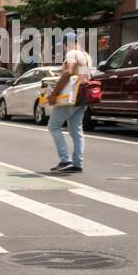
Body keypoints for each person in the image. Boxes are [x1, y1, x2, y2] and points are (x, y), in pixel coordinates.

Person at [45, 36, 93, 174]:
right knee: (76, 131)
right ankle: (78, 163)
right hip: (82, 97)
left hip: (70, 97)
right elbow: (84, 75)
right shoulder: (86, 56)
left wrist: (54, 93)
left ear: (67, 44)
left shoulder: (72, 53)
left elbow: (68, 72)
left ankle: (65, 160)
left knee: (53, 126)